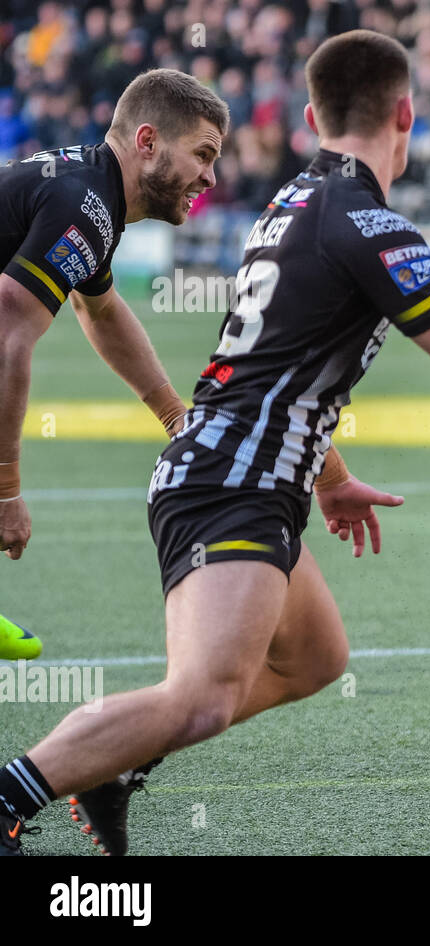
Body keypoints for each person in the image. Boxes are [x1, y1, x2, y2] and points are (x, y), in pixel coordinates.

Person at [0, 30, 430, 855]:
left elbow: (282, 370)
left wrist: (330, 476)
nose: (212, 172)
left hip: (249, 468)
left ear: (312, 116)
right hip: (231, 478)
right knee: (203, 696)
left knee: (315, 659)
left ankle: (113, 760)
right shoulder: (366, 222)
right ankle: (16, 790)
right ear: (407, 116)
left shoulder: (292, 206)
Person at [0, 68, 230, 660]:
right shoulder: (88, 203)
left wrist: (179, 419)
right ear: (147, 142)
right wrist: (4, 493)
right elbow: (7, 335)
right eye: (202, 155)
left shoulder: (93, 195)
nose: (210, 176)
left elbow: (101, 313)